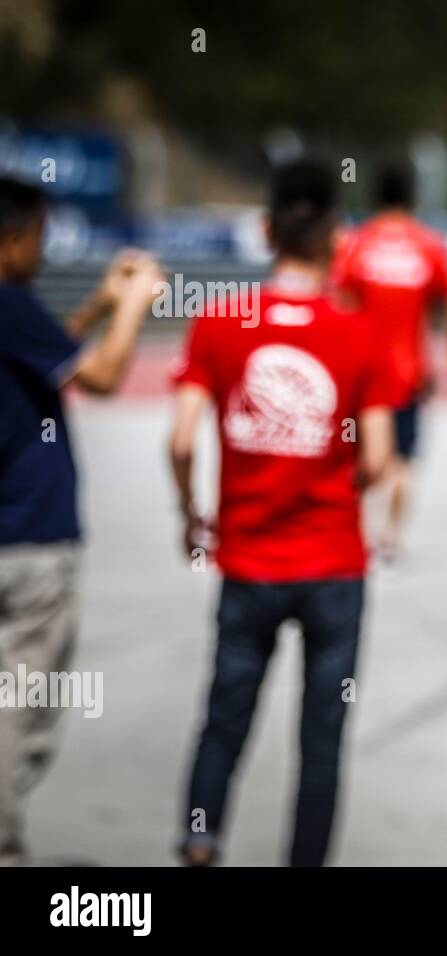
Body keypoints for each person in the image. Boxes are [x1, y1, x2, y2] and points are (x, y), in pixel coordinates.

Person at [170, 160, 398, 866]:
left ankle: (201, 839)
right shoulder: (359, 335)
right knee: (321, 737)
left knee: (224, 718)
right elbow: (378, 460)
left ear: (266, 230)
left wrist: (191, 513)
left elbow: (180, 439)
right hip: (333, 565)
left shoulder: (220, 322)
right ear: (335, 239)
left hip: (247, 561)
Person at [0, 176, 161, 865]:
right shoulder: (8, 302)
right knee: (22, 709)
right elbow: (97, 377)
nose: (43, 249)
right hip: (31, 542)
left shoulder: (14, 315)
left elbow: (45, 360)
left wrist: (98, 304)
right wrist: (133, 306)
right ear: (11, 241)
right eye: (37, 235)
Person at [331, 161, 447, 561]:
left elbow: (340, 304)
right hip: (409, 370)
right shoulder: (428, 244)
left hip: (362, 369)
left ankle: (356, 530)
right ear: (412, 197)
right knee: (403, 459)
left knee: (357, 453)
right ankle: (390, 535)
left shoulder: (357, 242)